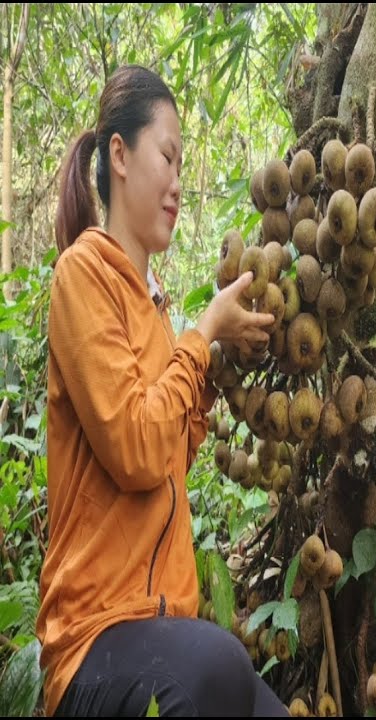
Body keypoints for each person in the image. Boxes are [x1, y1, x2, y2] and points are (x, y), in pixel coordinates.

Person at [38, 64, 284, 716]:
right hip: (95, 640)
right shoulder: (82, 275)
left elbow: (170, 456)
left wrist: (213, 364)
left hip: (159, 631)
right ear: (119, 155)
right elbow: (137, 450)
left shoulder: (153, 310)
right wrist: (201, 335)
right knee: (217, 663)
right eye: (167, 158)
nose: (178, 185)